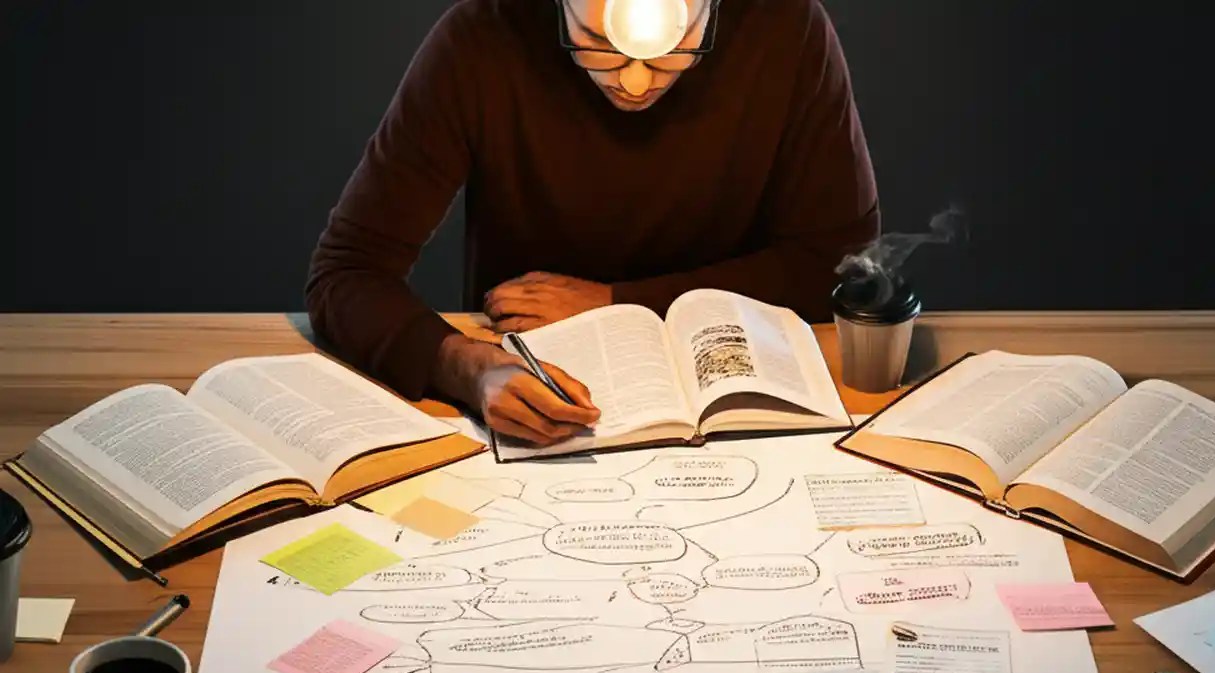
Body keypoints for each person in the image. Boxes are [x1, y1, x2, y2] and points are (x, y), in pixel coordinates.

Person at [306, 0, 880, 446]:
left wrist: (617, 301)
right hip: (534, 411)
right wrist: (466, 368)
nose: (633, 81)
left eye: (674, 47)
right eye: (597, 44)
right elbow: (346, 273)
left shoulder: (786, 27)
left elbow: (835, 261)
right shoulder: (483, 38)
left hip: (735, 399)